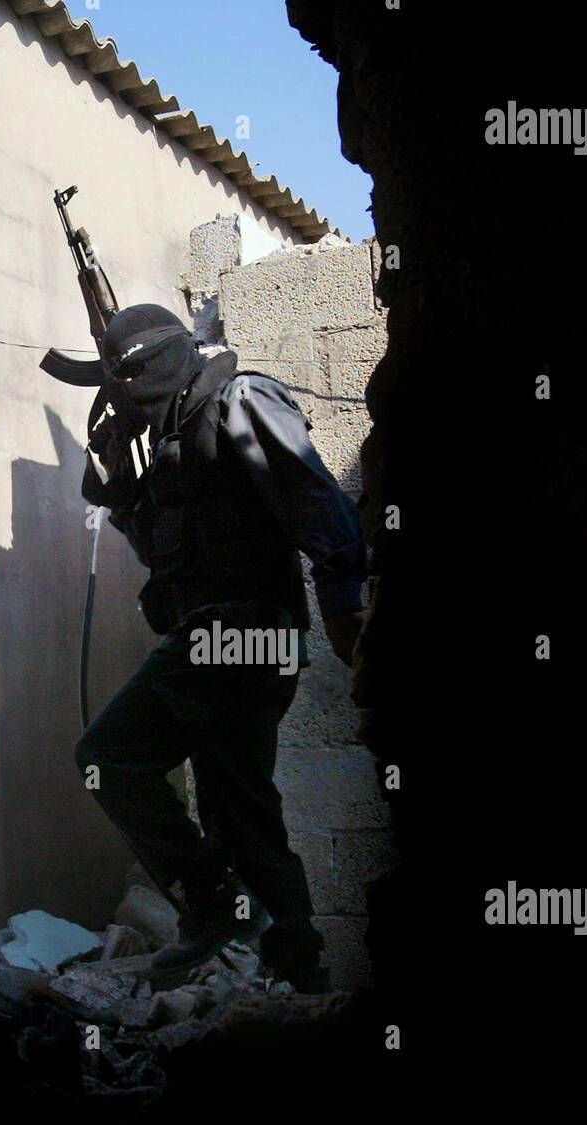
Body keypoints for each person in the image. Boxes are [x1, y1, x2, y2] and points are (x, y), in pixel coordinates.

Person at [74, 304, 366, 992]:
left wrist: (344, 600)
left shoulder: (240, 397)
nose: (130, 391)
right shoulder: (169, 442)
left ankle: (213, 906)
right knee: (239, 809)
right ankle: (300, 971)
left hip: (246, 630)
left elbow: (312, 491)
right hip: (211, 634)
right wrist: (124, 493)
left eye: (134, 371)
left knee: (109, 757)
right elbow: (167, 555)